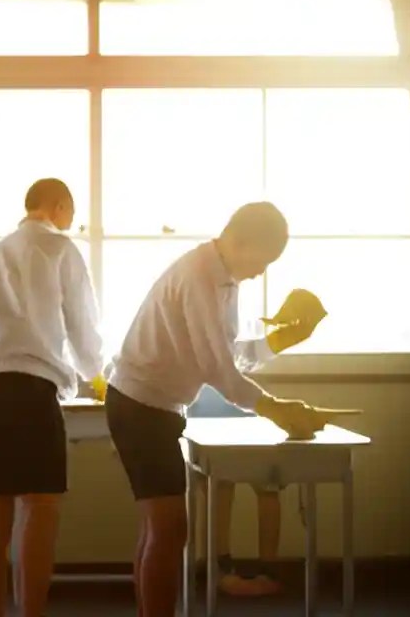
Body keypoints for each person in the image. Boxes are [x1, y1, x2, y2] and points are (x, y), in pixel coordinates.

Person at [103, 201, 334, 617]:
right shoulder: (199, 276)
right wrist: (274, 408)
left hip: (151, 405)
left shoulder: (223, 279)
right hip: (141, 405)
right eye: (262, 261)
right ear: (240, 240)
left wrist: (281, 341)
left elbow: (226, 357)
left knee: (160, 528)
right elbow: (215, 367)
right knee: (170, 528)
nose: (262, 272)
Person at [0, 178, 105, 617]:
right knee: (40, 508)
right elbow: (82, 324)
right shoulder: (60, 249)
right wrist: (97, 378)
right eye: (72, 214)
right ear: (59, 206)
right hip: (31, 385)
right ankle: (32, 614)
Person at [187, 384, 285, 597]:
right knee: (219, 486)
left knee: (267, 483)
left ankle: (266, 569)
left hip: (245, 413)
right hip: (205, 417)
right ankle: (221, 568)